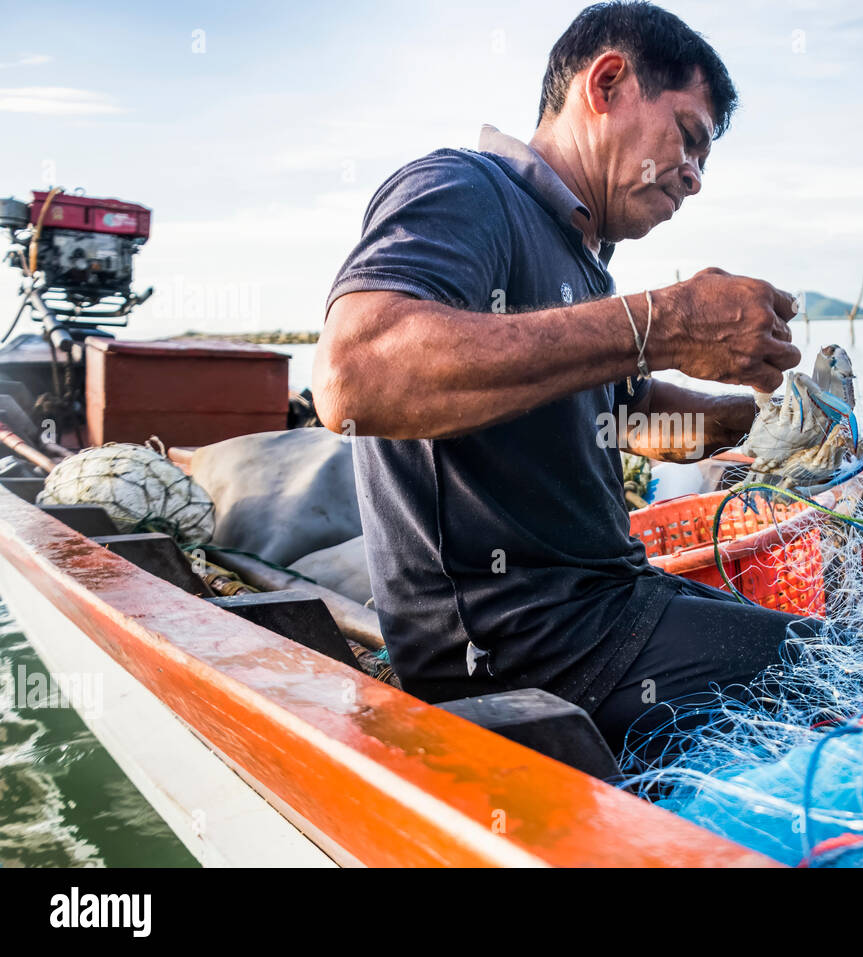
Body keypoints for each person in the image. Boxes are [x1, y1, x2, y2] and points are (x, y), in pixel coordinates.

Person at [314, 2, 809, 756]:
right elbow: (354, 378)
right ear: (607, 82)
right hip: (515, 653)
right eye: (689, 138)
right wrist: (665, 322)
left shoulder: (584, 262)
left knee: (827, 654)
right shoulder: (464, 190)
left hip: (611, 607)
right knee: (840, 674)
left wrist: (767, 422)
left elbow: (632, 422)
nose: (695, 177)